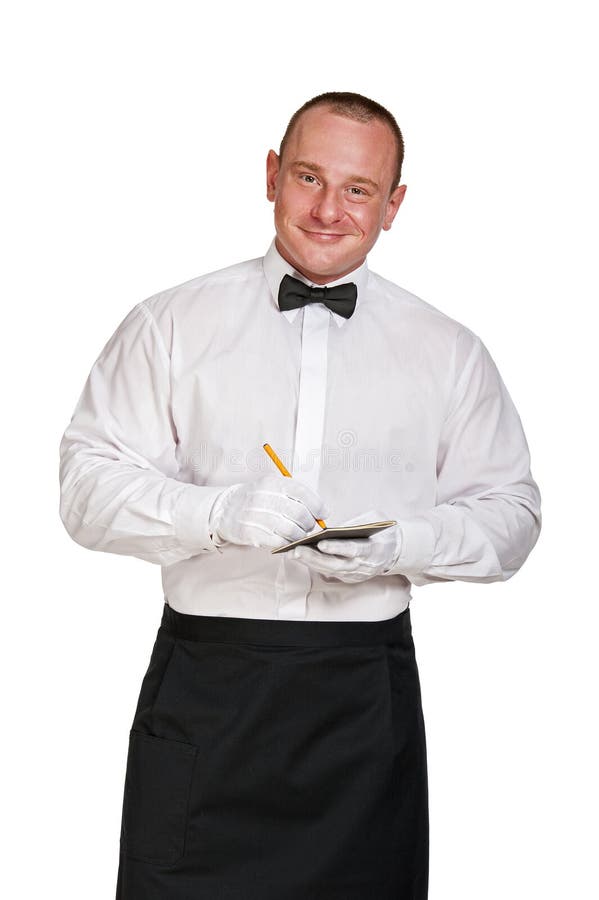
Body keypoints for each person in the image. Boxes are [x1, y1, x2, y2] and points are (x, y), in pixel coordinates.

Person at [58, 91, 541, 899]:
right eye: (308, 177)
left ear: (393, 206)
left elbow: (512, 518)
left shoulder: (449, 351)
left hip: (361, 702)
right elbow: (84, 487)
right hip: (206, 692)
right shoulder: (168, 322)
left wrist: (399, 545)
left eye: (357, 189)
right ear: (272, 175)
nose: (326, 209)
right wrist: (213, 514)